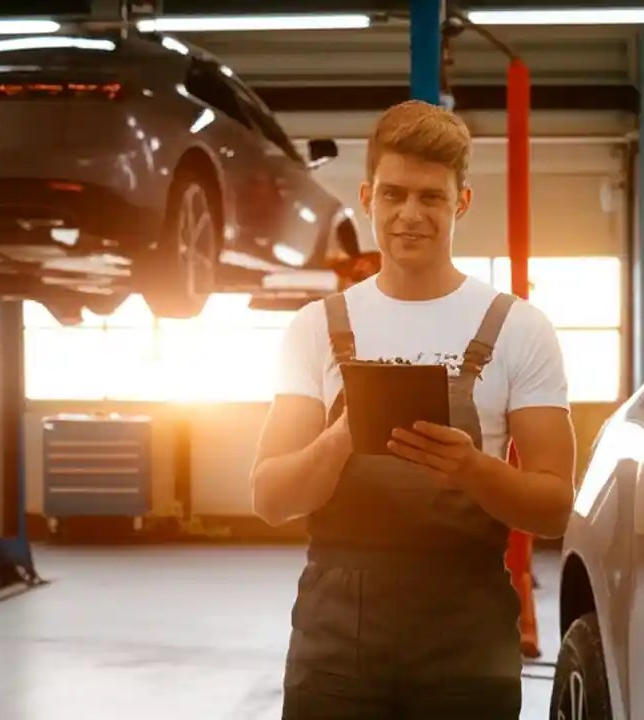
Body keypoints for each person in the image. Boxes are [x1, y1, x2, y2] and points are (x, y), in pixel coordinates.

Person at [250, 99, 577, 718]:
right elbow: (270, 497)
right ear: (367, 197)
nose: (410, 214)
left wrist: (471, 469)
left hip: (466, 634)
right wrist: (343, 437)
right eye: (394, 194)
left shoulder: (518, 329)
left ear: (462, 202)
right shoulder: (316, 327)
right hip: (336, 632)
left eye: (431, 197)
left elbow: (555, 506)